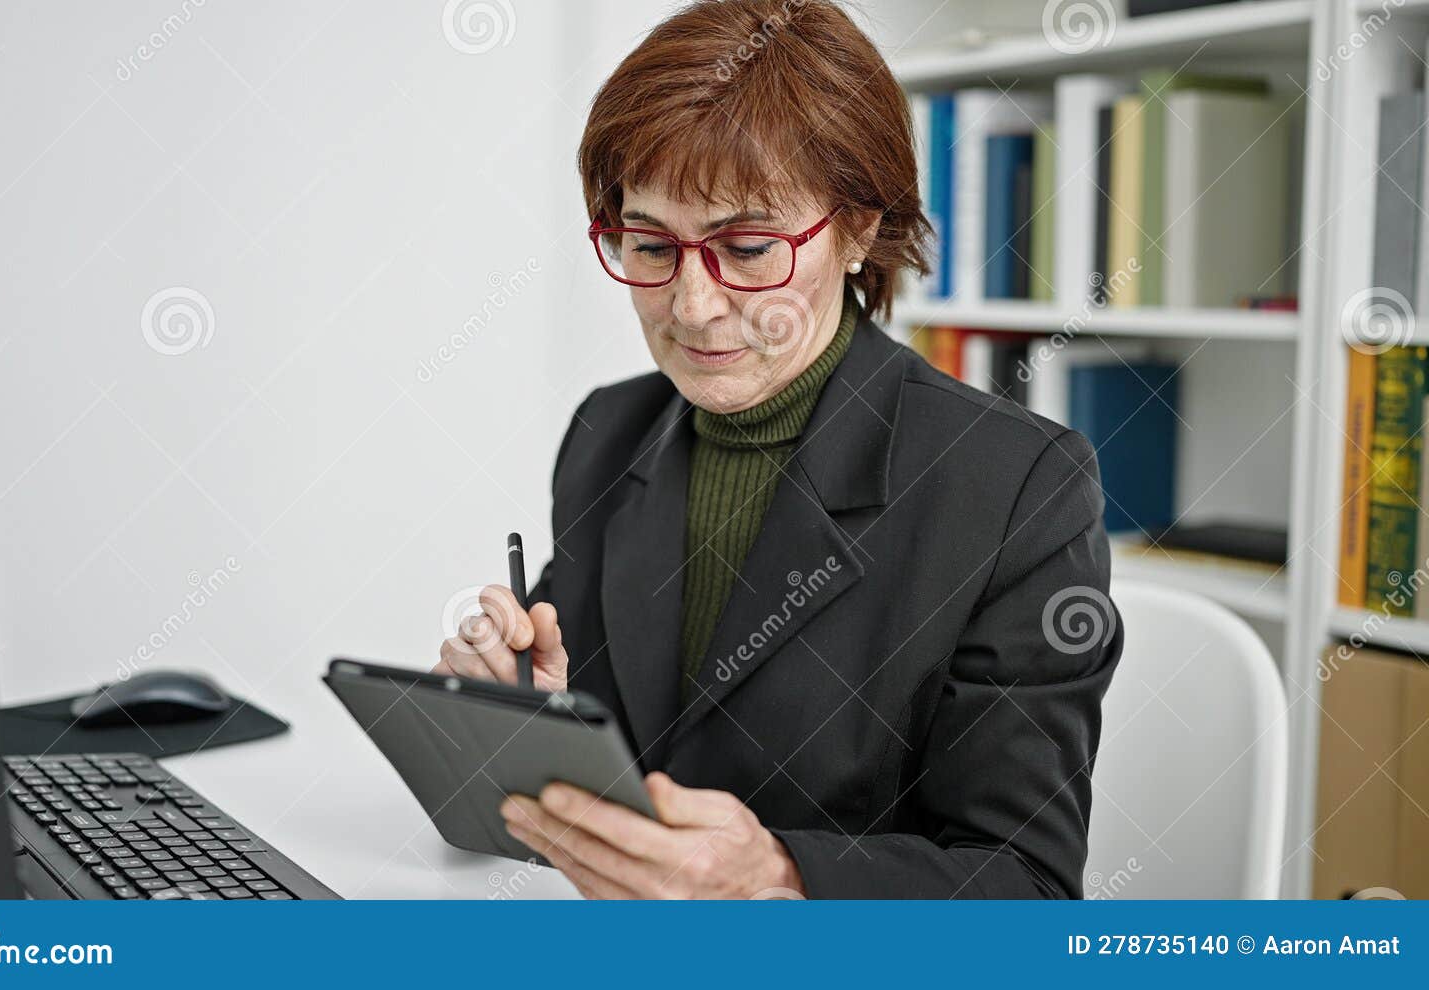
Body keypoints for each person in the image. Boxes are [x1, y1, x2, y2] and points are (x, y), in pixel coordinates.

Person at [433, 0, 1123, 899]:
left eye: (750, 247)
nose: (692, 307)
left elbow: (1025, 887)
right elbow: (609, 765)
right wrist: (523, 713)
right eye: (650, 245)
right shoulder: (607, 433)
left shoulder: (1017, 486)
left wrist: (783, 878)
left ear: (860, 228)